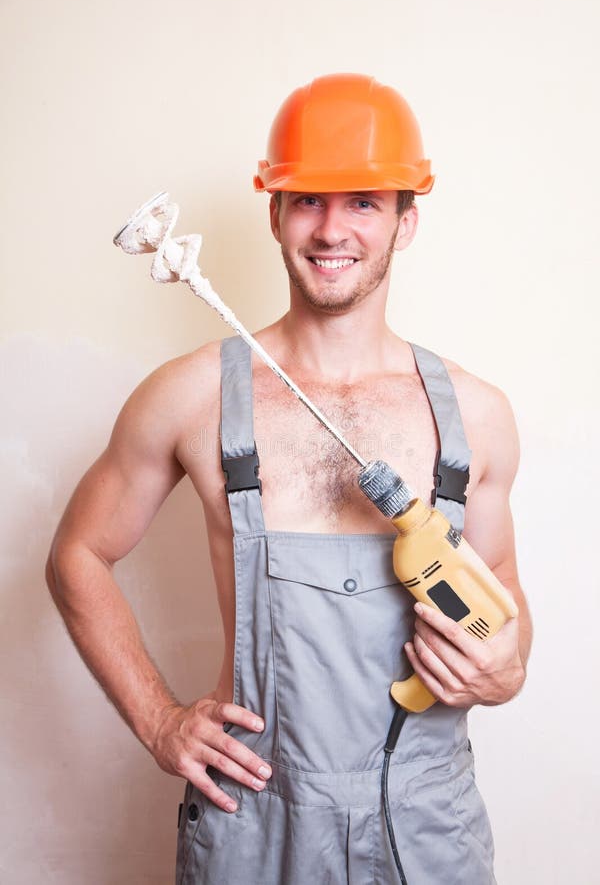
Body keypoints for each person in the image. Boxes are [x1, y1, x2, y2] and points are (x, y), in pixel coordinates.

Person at [46, 73, 532, 884]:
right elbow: (77, 555)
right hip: (256, 815)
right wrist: (160, 721)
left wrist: (507, 669)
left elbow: (504, 599)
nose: (331, 229)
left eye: (364, 202)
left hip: (427, 823)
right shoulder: (192, 397)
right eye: (307, 200)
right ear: (273, 211)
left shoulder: (477, 416)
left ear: (406, 222)